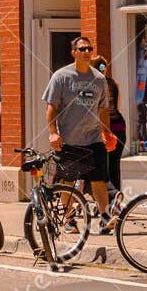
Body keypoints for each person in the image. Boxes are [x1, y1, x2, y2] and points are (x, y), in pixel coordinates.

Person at [44, 36, 112, 232]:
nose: (87, 52)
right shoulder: (61, 76)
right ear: (73, 52)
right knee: (68, 181)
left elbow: (104, 109)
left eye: (89, 49)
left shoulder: (99, 79)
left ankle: (105, 217)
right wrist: (53, 133)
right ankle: (68, 219)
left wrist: (106, 133)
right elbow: (51, 107)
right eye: (82, 49)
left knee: (99, 179)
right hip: (69, 139)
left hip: (93, 138)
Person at [91, 56, 125, 197]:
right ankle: (116, 197)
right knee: (114, 166)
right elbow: (117, 107)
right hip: (119, 128)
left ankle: (106, 198)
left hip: (104, 131)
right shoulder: (114, 83)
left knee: (101, 168)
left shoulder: (93, 85)